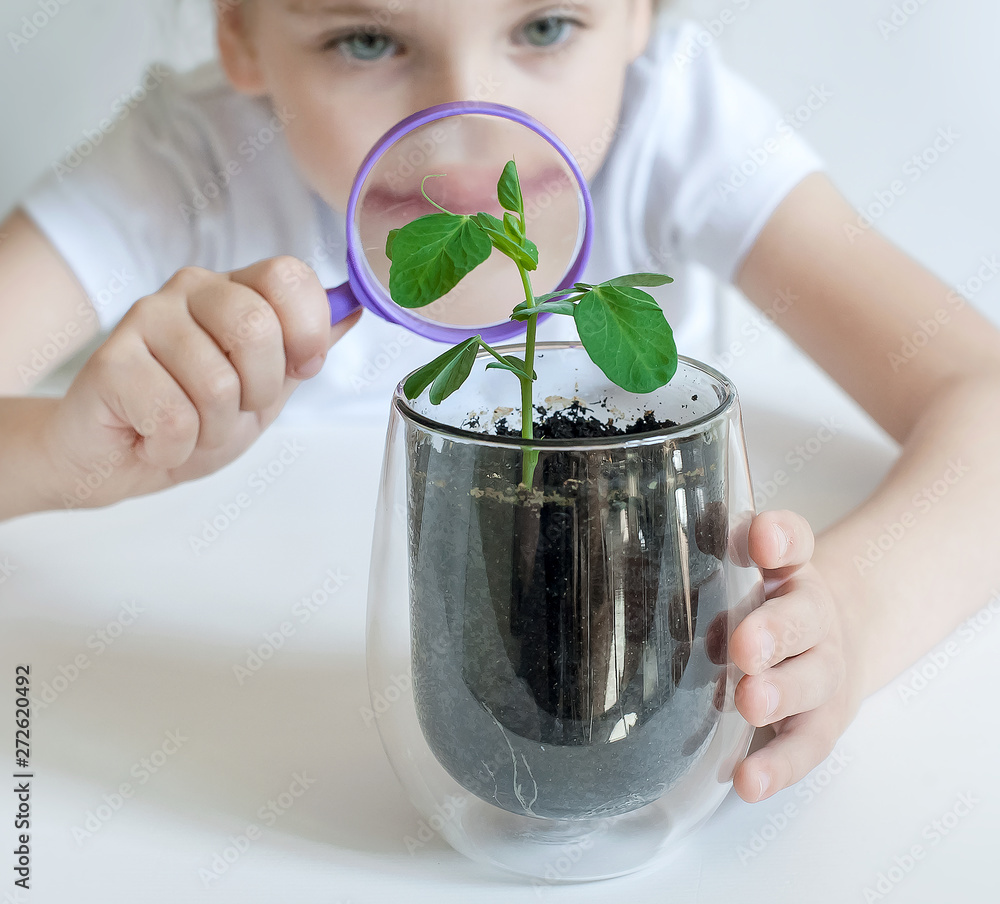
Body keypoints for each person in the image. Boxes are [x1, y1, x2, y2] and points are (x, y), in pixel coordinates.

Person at [1, 0, 999, 808]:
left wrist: (852, 612)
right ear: (238, 31)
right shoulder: (188, 165)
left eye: (543, 27)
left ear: (640, 13)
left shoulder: (680, 132)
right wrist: (55, 453)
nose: (466, 122)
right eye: (366, 40)